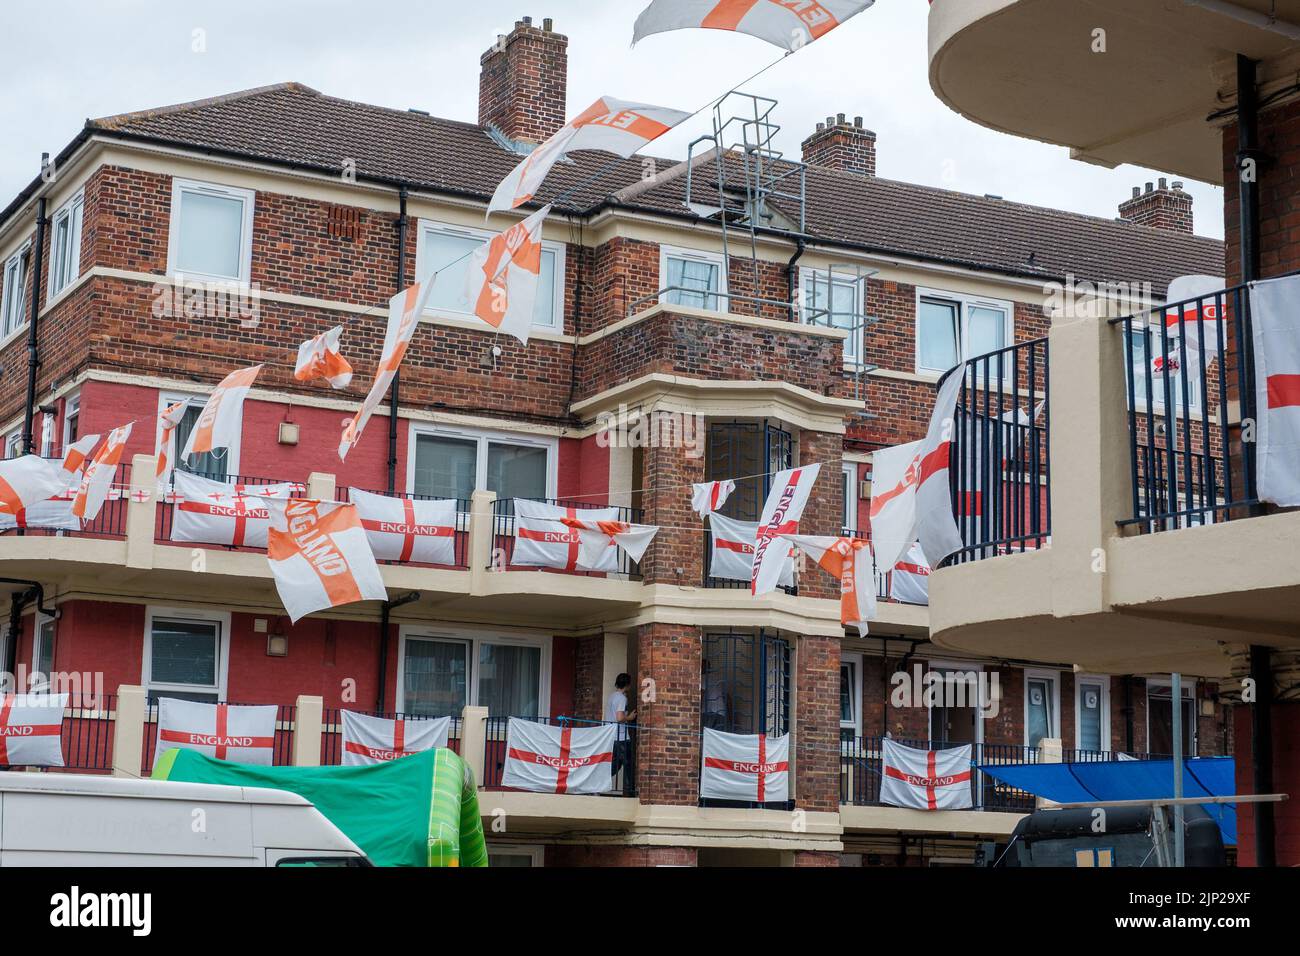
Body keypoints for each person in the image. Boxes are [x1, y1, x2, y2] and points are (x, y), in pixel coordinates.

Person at [605, 673, 636, 796]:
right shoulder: (622, 698)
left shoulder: (612, 696)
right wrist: (630, 717)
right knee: (628, 765)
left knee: (615, 765)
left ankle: (596, 783)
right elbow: (619, 717)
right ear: (627, 685)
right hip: (621, 737)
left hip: (611, 735)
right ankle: (630, 793)